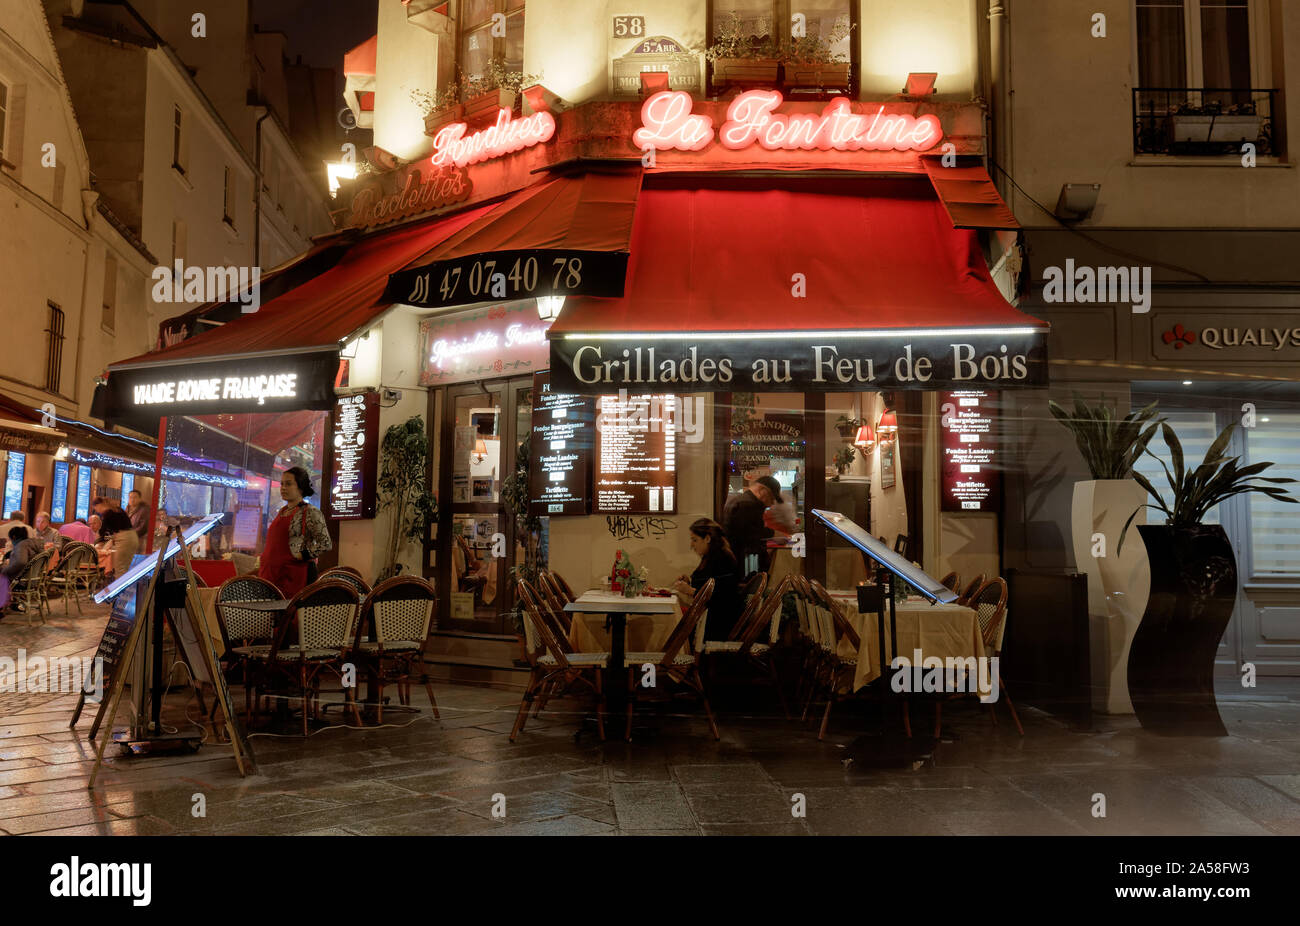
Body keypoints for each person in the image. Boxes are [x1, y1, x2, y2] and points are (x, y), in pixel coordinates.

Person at [259, 467, 332, 600]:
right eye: (282, 484)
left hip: (293, 578)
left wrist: (302, 555)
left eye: (288, 484)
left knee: (291, 618)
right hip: (271, 577)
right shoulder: (282, 511)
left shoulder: (310, 512)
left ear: (301, 486)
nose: (283, 488)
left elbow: (325, 543)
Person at [672, 518, 741, 642]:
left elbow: (722, 595)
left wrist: (691, 591)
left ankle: (674, 659)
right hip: (710, 619)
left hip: (719, 624)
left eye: (695, 540)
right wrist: (689, 582)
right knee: (675, 617)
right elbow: (708, 584)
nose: (691, 545)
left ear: (708, 539)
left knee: (674, 620)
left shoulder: (722, 559)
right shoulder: (712, 557)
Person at [722, 475, 783, 576]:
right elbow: (750, 536)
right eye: (772, 498)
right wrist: (774, 536)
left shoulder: (742, 500)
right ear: (762, 490)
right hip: (745, 563)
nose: (772, 503)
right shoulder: (748, 504)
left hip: (738, 560)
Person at [92, 497, 138, 579]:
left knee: (119, 569)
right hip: (132, 536)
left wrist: (98, 544)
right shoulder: (116, 509)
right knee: (124, 568)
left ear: (99, 505)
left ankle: (120, 591)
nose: (97, 511)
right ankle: (123, 590)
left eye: (96, 508)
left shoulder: (107, 513)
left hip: (124, 538)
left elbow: (102, 532)